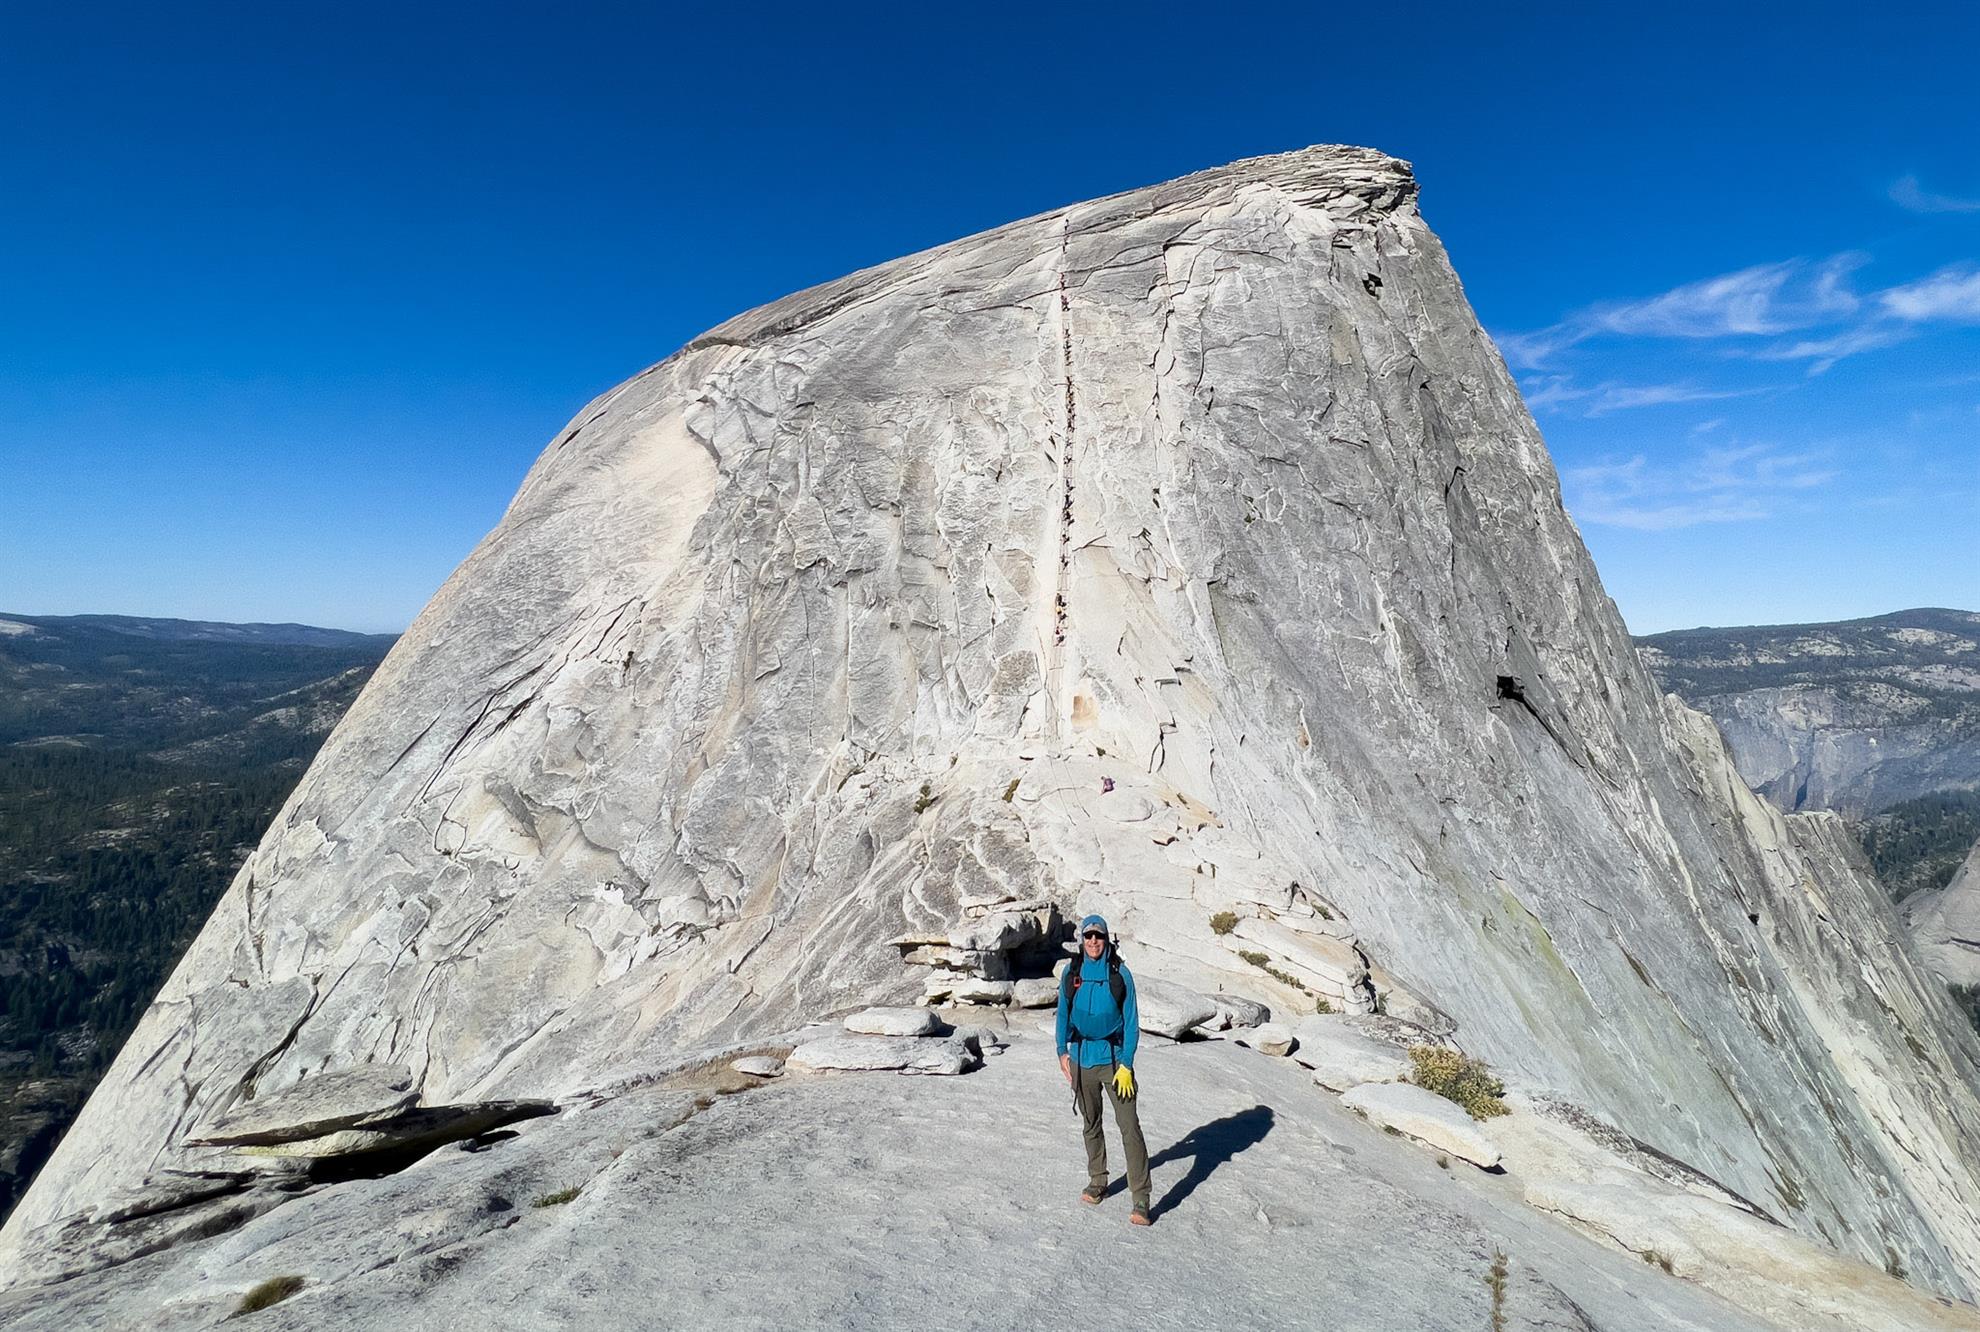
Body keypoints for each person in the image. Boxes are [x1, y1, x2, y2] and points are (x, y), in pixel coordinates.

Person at [1055, 913, 1152, 1225]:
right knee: (1091, 1124)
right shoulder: (1072, 972)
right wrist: (1061, 1052)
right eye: (1088, 936)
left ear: (1107, 939)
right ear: (1082, 940)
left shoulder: (1120, 974)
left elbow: (1133, 1022)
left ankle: (1141, 1198)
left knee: (1129, 1128)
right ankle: (1098, 1181)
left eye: (1098, 936)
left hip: (1114, 1062)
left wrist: (1127, 1064)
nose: (1093, 942)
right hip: (1082, 1058)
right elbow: (1062, 1013)